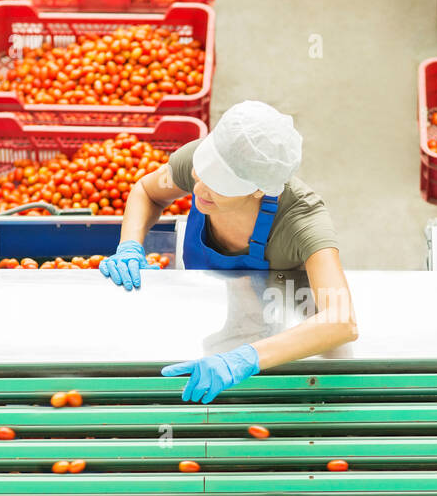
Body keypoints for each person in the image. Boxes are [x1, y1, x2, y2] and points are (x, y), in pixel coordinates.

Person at [100, 100, 358, 402]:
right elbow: (147, 191)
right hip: (211, 320)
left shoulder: (303, 219)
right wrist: (130, 245)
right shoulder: (208, 158)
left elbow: (341, 321)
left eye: (218, 186)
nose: (198, 190)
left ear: (260, 189)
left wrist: (244, 358)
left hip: (292, 341)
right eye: (201, 174)